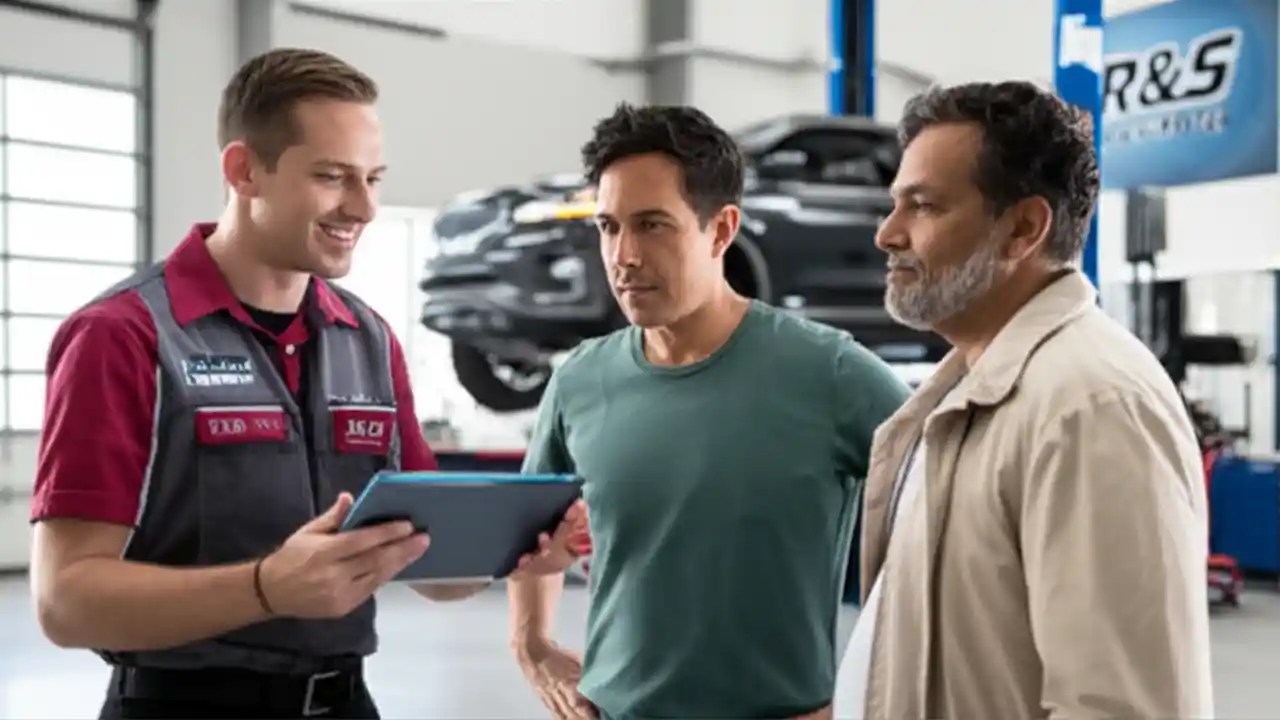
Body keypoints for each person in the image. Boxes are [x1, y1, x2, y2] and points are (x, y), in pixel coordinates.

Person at [27, 47, 565, 720]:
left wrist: (521, 549)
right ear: (244, 170)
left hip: (346, 704)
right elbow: (65, 603)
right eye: (334, 177)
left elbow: (432, 569)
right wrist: (264, 588)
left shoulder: (366, 340)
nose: (364, 207)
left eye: (373, 177)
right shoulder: (124, 336)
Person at [506, 103, 911, 720]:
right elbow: (525, 536)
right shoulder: (580, 380)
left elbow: (953, 503)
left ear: (721, 230)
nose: (624, 256)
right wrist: (531, 644)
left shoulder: (829, 372)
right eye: (609, 226)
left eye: (652, 226)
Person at [835, 81, 1214, 719]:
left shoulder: (1090, 405)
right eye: (893, 205)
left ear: (1023, 229)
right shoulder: (967, 392)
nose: (887, 234)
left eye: (923, 207)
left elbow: (1122, 705)